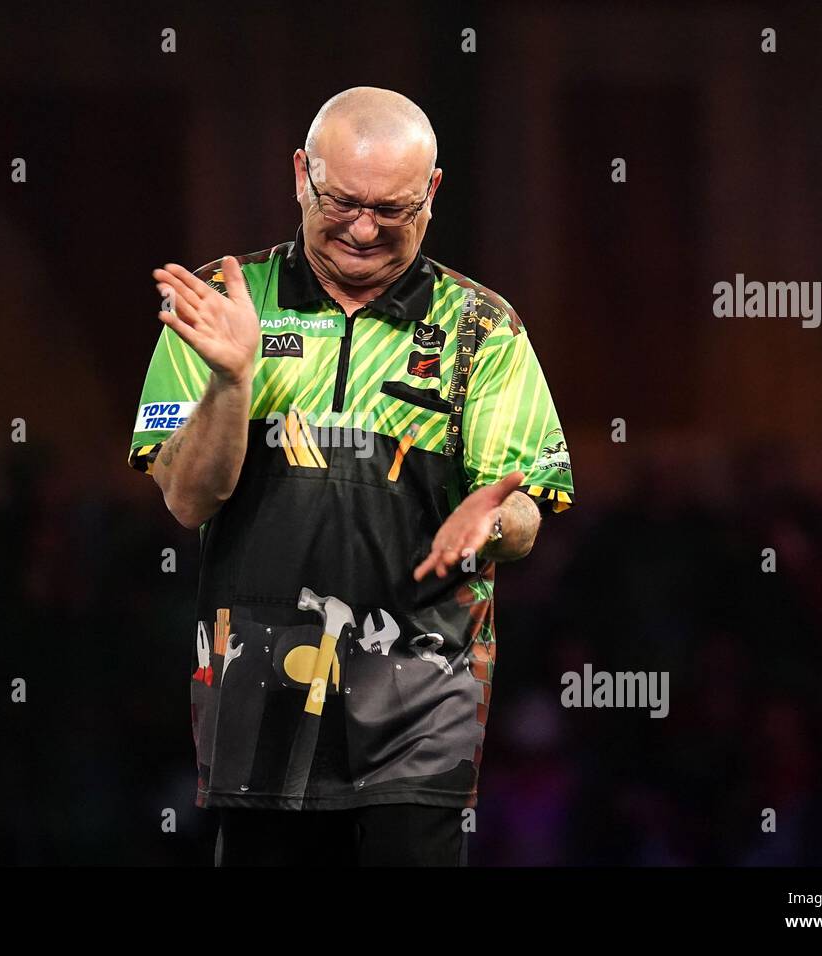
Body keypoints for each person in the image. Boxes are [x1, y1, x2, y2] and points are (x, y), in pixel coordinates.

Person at [128, 87, 575, 866]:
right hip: (257, 694)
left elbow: (526, 516)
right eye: (342, 201)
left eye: (392, 210)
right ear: (302, 174)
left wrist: (493, 522)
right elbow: (187, 497)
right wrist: (233, 380)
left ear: (431, 195)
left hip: (420, 702)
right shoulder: (220, 305)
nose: (364, 230)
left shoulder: (484, 329)